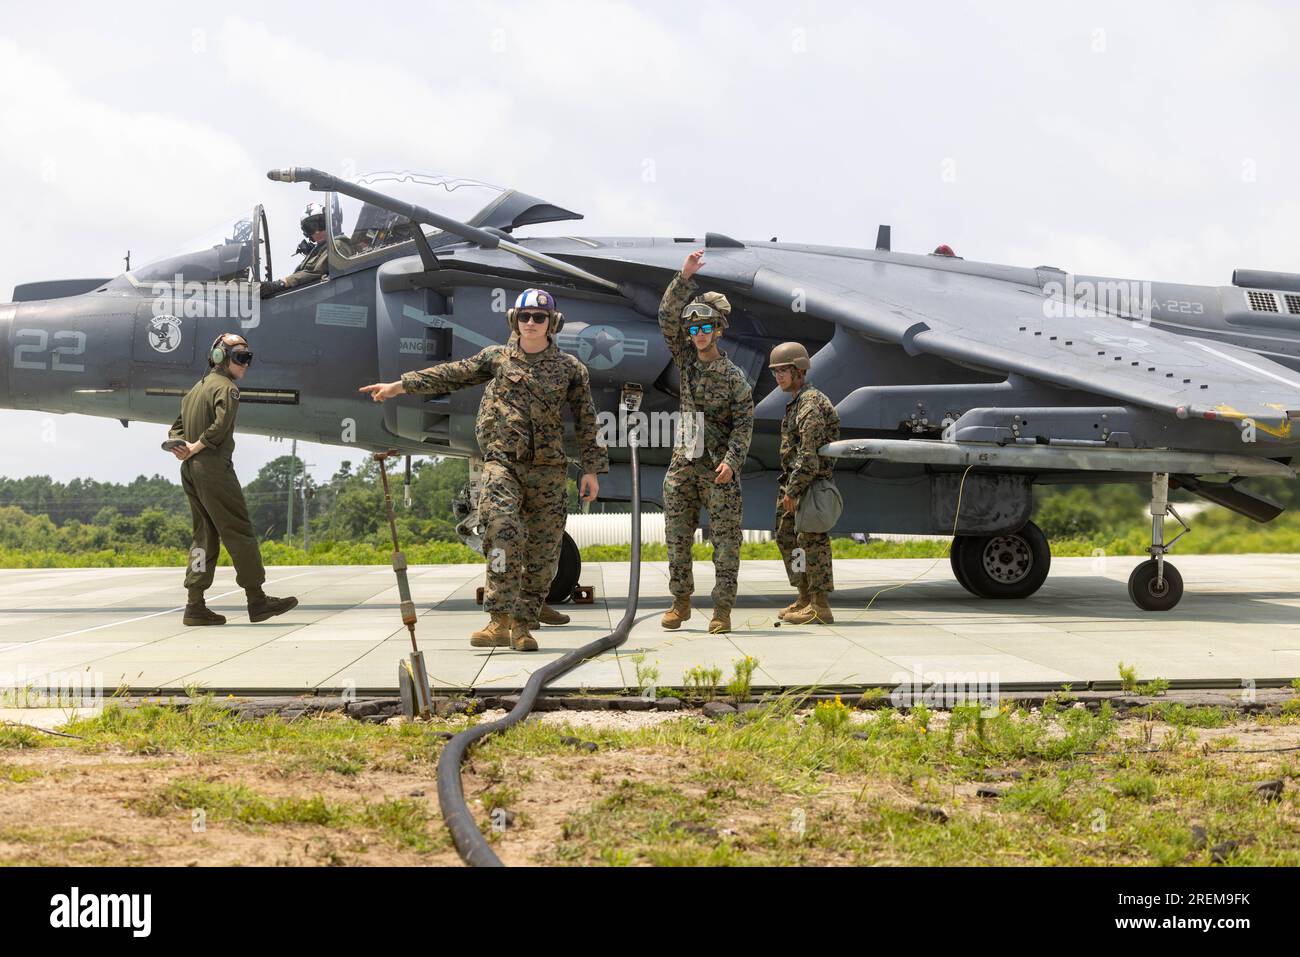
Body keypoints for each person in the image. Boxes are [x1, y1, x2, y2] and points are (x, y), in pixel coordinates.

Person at [360, 288, 607, 651]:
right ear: (514, 320)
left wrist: (591, 470)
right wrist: (400, 386)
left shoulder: (571, 370)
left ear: (551, 322)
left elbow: (587, 420)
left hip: (549, 470)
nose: (531, 323)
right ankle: (498, 621)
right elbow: (451, 374)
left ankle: (524, 625)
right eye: (524, 317)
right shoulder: (497, 359)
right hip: (503, 463)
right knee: (501, 531)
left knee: (543, 551)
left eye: (539, 317)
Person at [168, 333, 299, 626]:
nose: (246, 364)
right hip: (213, 468)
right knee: (238, 531)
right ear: (220, 358)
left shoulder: (195, 390)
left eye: (248, 358)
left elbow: (175, 428)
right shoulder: (227, 389)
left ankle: (195, 605)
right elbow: (220, 427)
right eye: (240, 357)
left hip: (189, 470)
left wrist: (181, 446)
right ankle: (257, 600)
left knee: (203, 535)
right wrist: (196, 446)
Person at [657, 250, 754, 635]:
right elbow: (667, 319)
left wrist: (731, 462)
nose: (698, 336)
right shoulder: (686, 360)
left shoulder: (733, 378)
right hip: (683, 464)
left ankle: (722, 610)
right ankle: (680, 603)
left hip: (719, 469)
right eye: (693, 330)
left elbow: (744, 425)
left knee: (726, 544)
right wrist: (684, 277)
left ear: (718, 330)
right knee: (676, 537)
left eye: (705, 329)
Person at [769, 342, 840, 625]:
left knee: (812, 543)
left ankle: (820, 606)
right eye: (775, 372)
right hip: (794, 483)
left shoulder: (810, 404)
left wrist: (794, 490)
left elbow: (808, 455)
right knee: (788, 538)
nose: (778, 377)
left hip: (809, 484)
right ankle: (804, 596)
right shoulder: (797, 401)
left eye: (783, 371)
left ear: (799, 370)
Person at [260, 204, 349, 297]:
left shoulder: (338, 245)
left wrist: (279, 284)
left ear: (331, 223)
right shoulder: (320, 250)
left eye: (321, 224)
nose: (317, 231)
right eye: (310, 228)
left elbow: (315, 272)